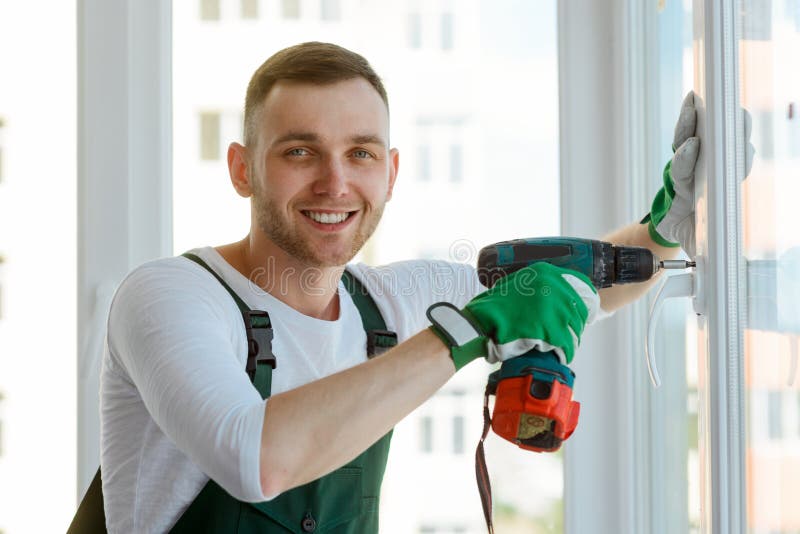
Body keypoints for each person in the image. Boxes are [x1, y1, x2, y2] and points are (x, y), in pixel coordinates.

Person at [97, 42, 699, 532]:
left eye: (360, 153)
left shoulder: (389, 303)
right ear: (241, 169)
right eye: (300, 151)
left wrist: (667, 225)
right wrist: (467, 331)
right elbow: (256, 460)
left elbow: (576, 289)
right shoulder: (170, 296)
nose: (334, 183)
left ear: (390, 174)